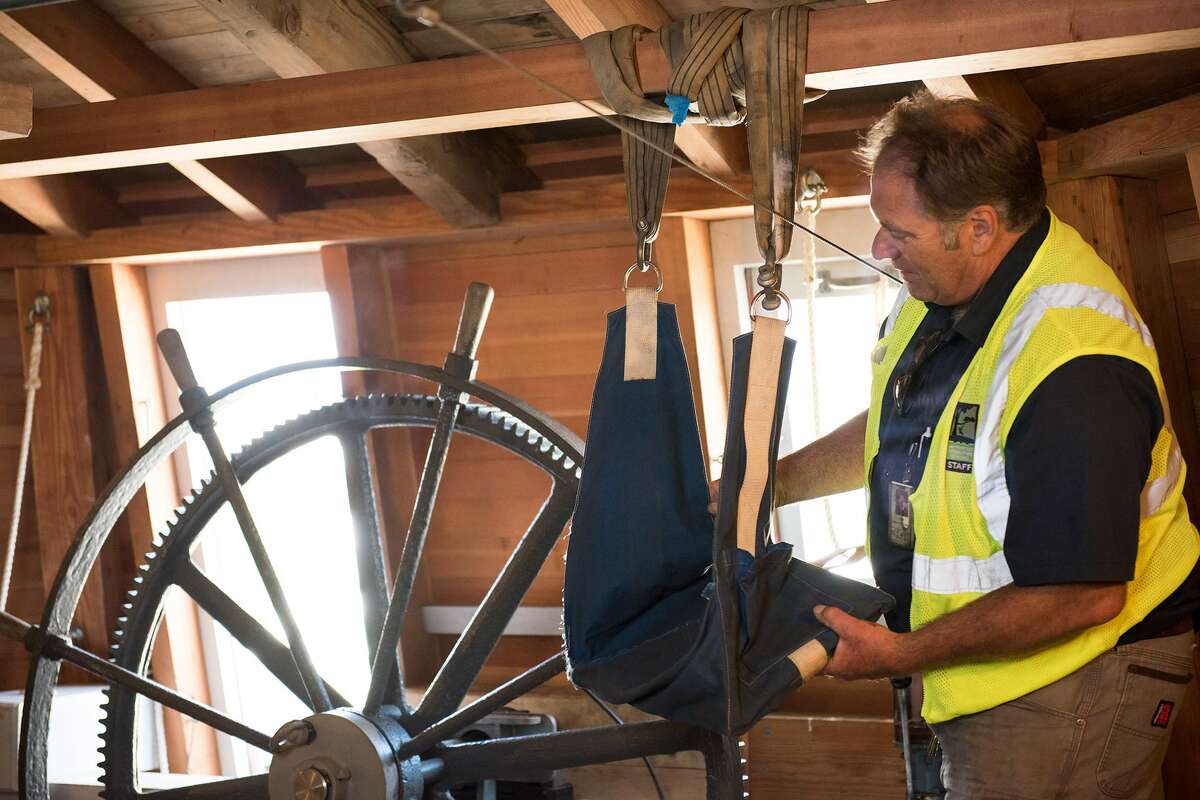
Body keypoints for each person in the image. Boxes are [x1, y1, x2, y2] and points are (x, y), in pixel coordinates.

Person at [773, 93, 1200, 798]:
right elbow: (902, 430)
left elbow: (1081, 595)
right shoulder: (940, 285)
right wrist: (766, 486)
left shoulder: (1074, 366)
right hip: (983, 665)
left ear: (978, 226)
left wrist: (899, 651)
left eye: (896, 231)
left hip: (1071, 675)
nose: (879, 247)